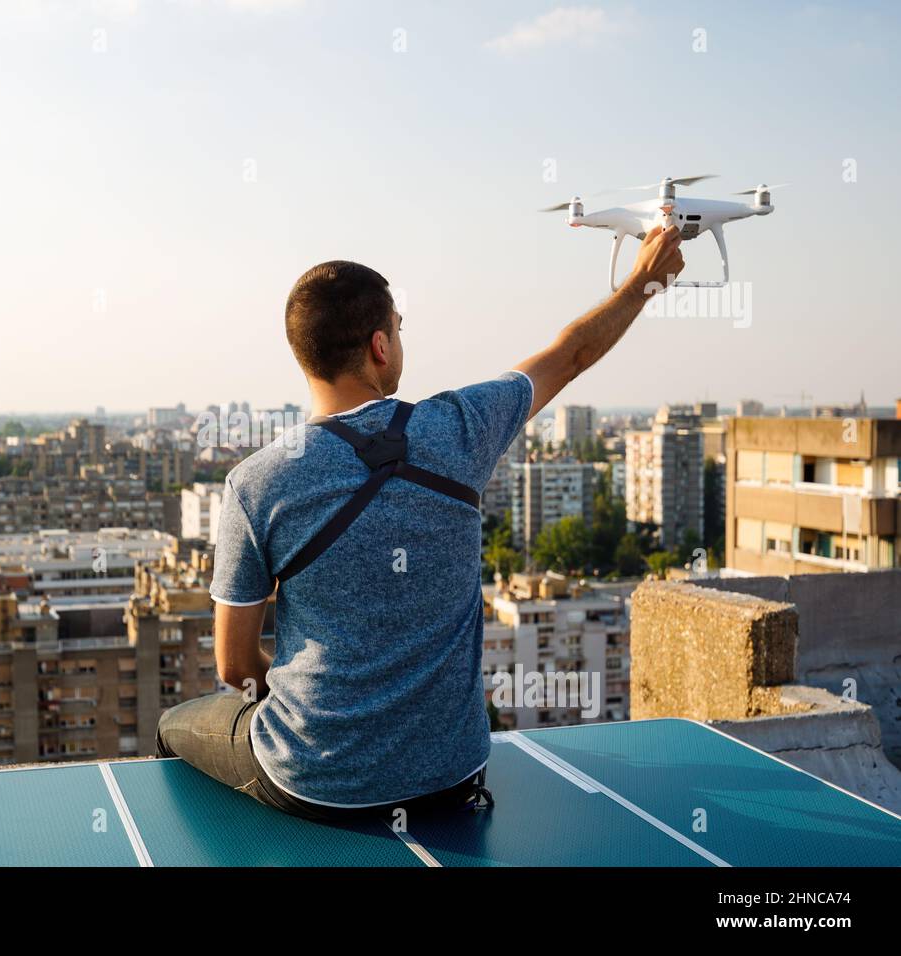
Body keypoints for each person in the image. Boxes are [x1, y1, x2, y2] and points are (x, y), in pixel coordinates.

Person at [155, 225, 685, 823]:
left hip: (316, 780)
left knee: (174, 729)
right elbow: (571, 355)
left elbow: (233, 667)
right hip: (451, 773)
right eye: (400, 330)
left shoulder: (256, 483)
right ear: (380, 346)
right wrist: (644, 280)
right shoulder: (460, 428)